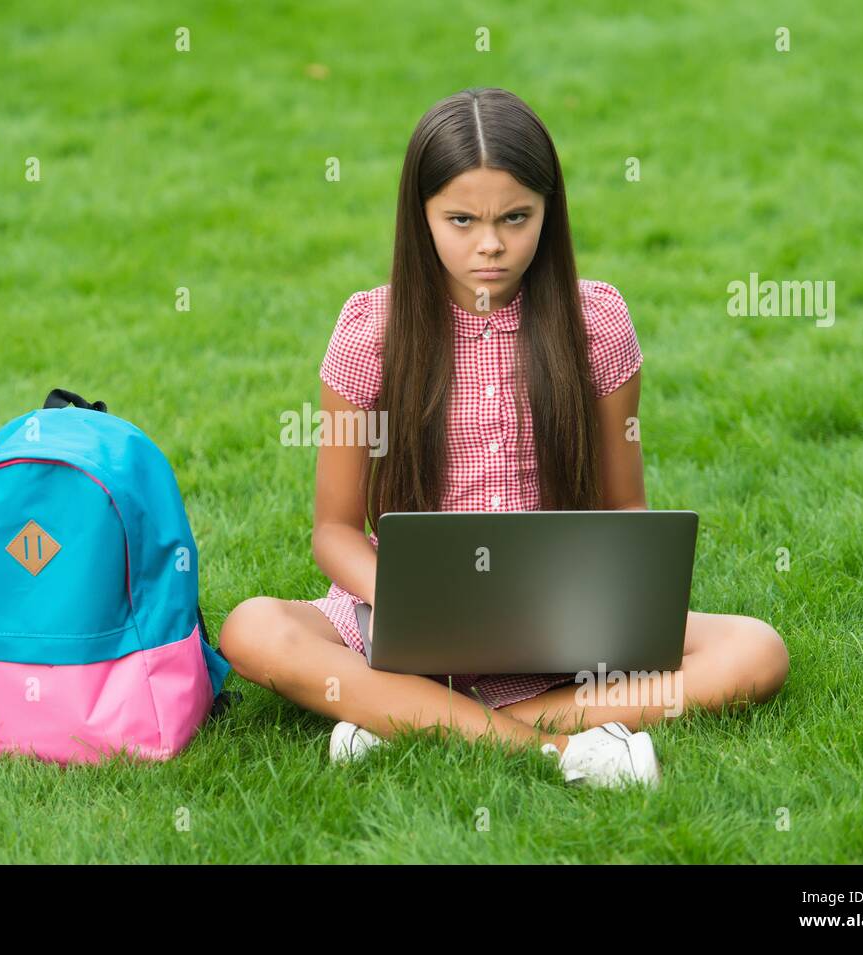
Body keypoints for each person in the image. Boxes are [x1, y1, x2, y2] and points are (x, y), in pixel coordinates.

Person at [218, 87, 789, 788]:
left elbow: (624, 509)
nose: (490, 244)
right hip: (404, 616)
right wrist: (406, 602)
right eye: (460, 219)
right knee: (252, 628)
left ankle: (413, 720)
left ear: (549, 212)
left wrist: (604, 603)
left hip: (557, 621)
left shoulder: (598, 324)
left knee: (756, 650)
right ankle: (554, 742)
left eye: (516, 218)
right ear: (419, 215)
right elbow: (334, 530)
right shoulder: (369, 332)